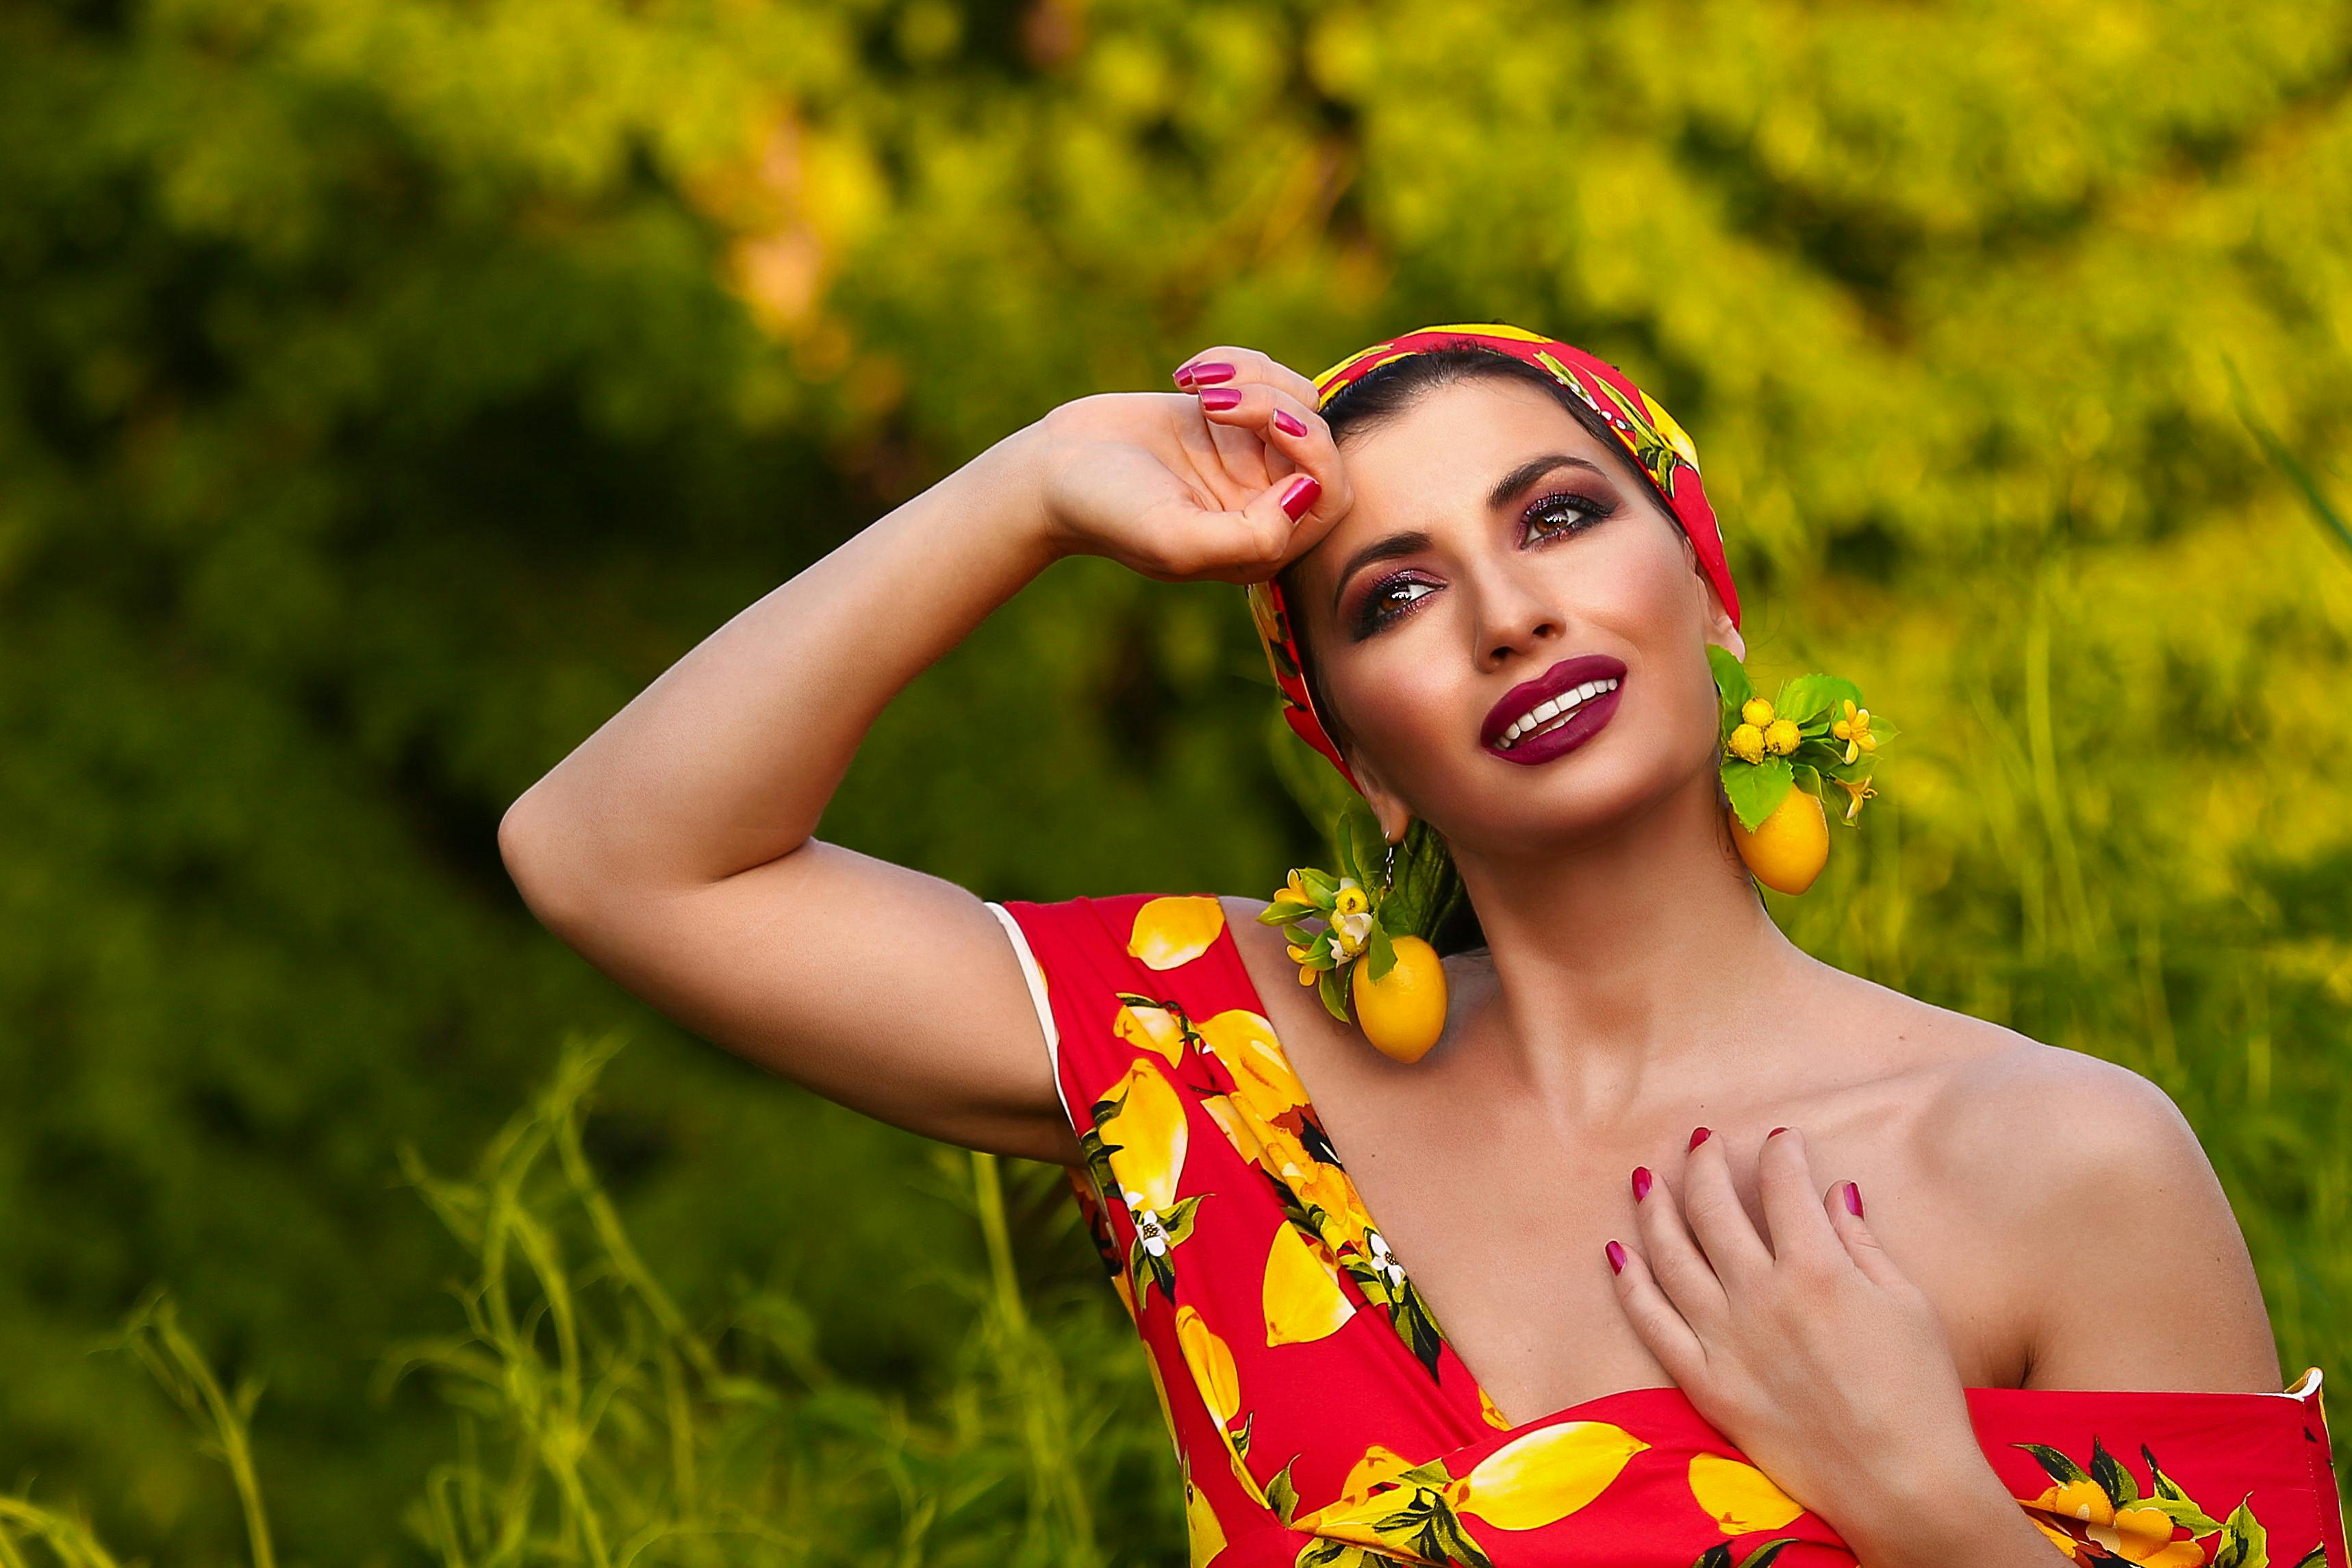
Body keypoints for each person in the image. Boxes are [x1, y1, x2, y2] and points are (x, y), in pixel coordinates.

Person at [496, 325, 2346, 1567]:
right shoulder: (1217, 1062)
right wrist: (1037, 486)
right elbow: (612, 855)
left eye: (1553, 515)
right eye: (1392, 593)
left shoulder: (2053, 1156)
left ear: (1701, 593)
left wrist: (1931, 1508)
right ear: (1360, 753)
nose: (1508, 614)